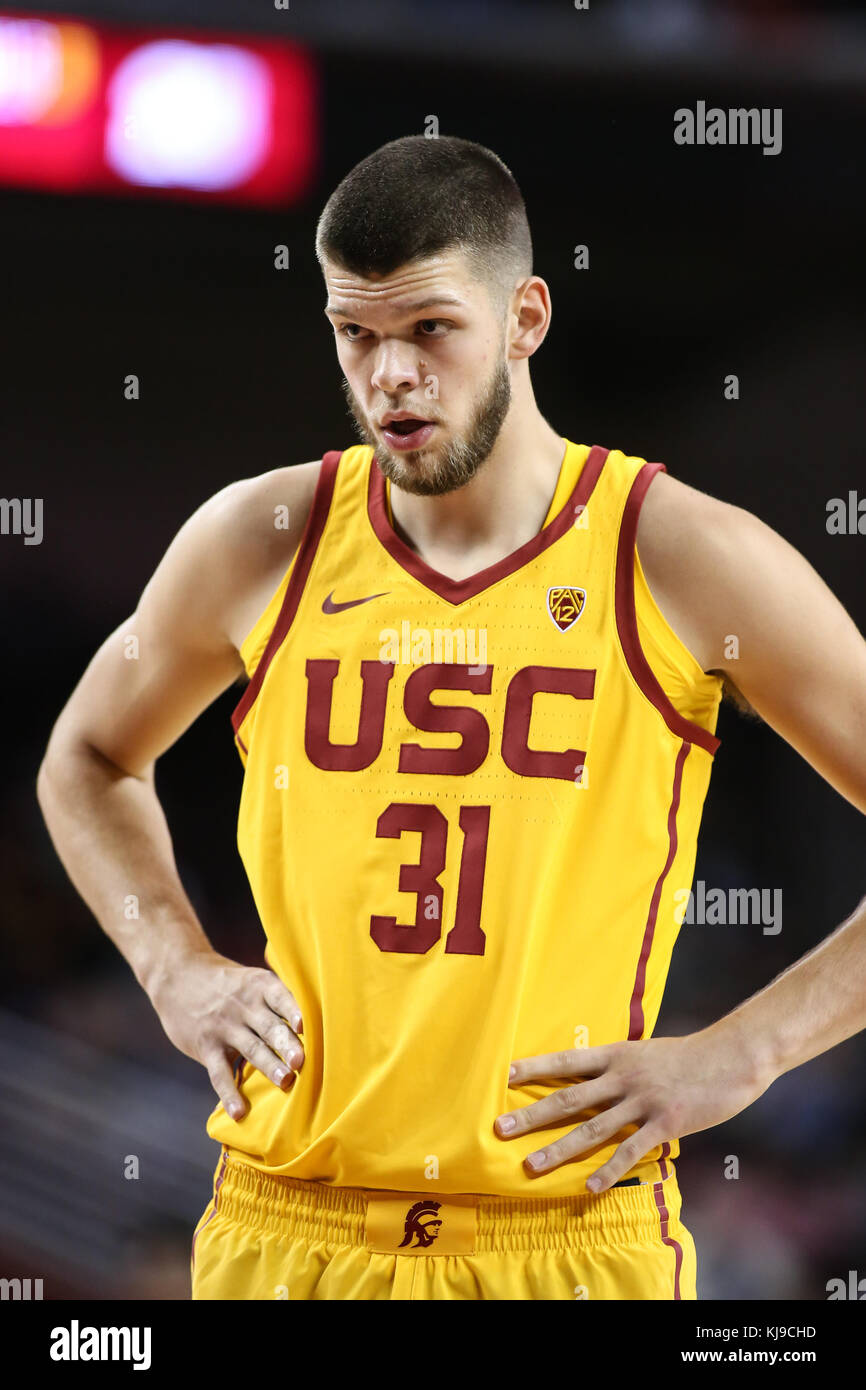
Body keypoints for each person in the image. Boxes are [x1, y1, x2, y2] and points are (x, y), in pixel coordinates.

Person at [37, 135, 866, 1302]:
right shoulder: (257, 539)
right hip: (288, 1231)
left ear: (524, 317)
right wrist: (174, 966)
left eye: (429, 328)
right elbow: (85, 756)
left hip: (561, 1237)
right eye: (354, 333)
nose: (389, 376)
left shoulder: (677, 551)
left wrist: (747, 1050)